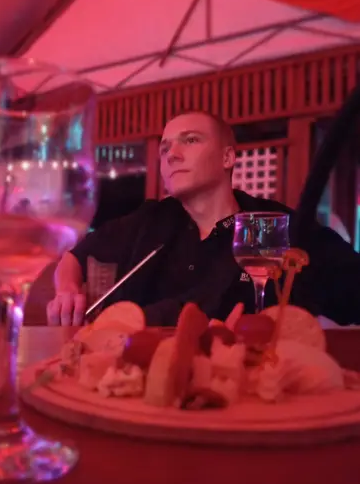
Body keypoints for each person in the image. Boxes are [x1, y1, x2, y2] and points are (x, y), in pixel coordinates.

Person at [46, 111, 360, 327]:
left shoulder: (269, 225)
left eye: (191, 140)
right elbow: (74, 256)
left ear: (228, 157)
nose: (171, 154)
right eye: (165, 148)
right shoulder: (150, 220)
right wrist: (67, 291)